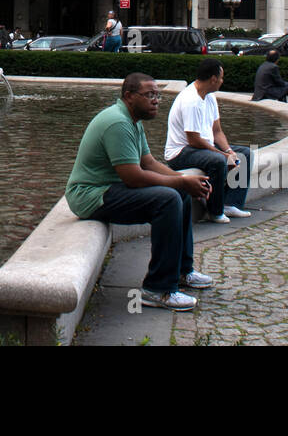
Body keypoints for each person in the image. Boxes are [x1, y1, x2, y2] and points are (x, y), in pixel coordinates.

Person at [66, 73, 213, 311]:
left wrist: (186, 180)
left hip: (110, 188)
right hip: (90, 195)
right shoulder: (118, 123)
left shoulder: (133, 120)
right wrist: (182, 183)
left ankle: (183, 272)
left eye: (158, 95)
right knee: (168, 200)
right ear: (129, 97)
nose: (155, 100)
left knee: (181, 196)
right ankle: (157, 289)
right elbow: (134, 178)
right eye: (149, 95)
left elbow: (150, 163)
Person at [165, 58, 252, 223]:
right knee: (218, 161)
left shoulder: (209, 96)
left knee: (245, 154)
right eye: (221, 78)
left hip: (201, 147)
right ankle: (215, 211)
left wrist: (229, 151)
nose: (222, 81)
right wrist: (223, 156)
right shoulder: (191, 100)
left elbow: (217, 131)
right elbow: (194, 140)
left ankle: (231, 203)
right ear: (213, 79)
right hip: (181, 152)